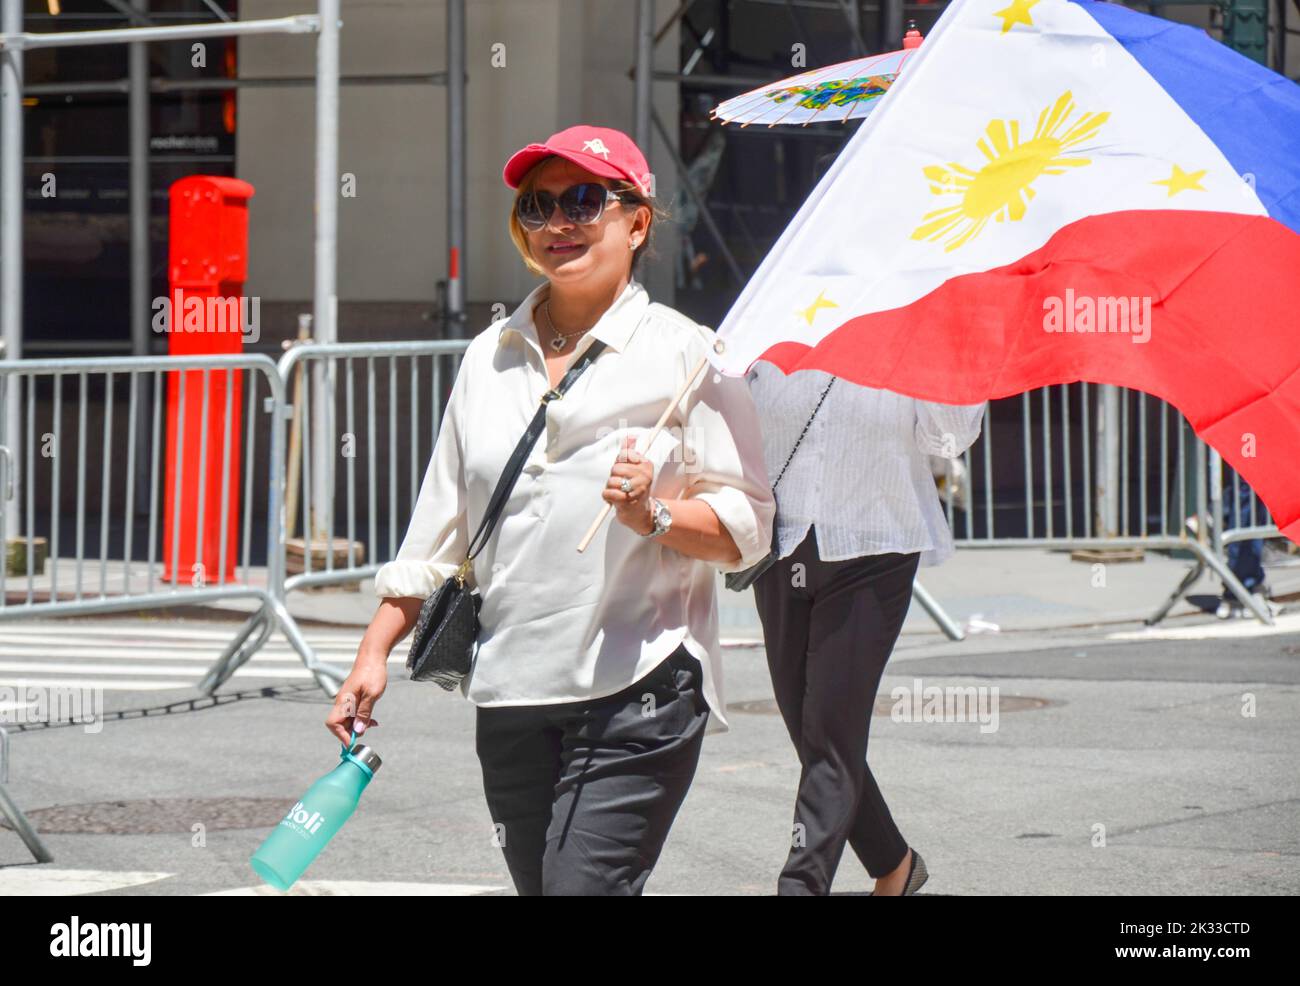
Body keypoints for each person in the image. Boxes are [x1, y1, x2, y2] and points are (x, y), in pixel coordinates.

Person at [327, 125, 775, 896]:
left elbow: (749, 526)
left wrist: (655, 516)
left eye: (583, 200)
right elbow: (442, 526)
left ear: (637, 222)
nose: (558, 223)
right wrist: (373, 654)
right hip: (510, 691)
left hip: (640, 686)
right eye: (538, 205)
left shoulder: (689, 355)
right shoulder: (488, 356)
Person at [746, 362, 984, 895]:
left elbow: (947, 439)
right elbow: (738, 418)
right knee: (809, 727)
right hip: (782, 540)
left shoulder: (914, 326)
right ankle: (895, 864)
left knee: (830, 733)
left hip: (876, 541)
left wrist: (952, 353)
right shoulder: (784, 311)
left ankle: (800, 886)